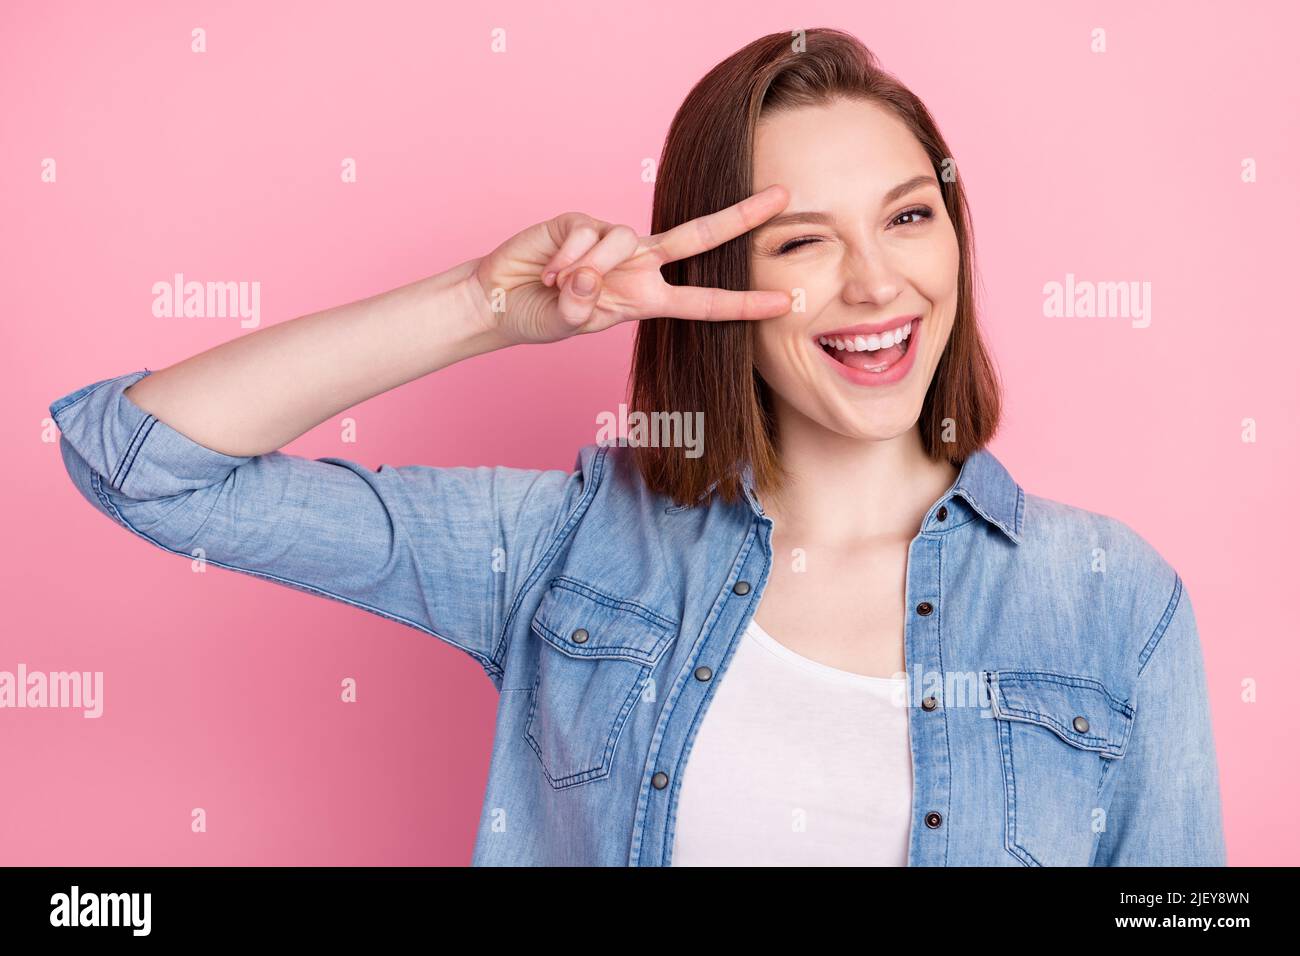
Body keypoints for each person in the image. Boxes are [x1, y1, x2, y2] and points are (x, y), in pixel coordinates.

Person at [49, 27, 1226, 866]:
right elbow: (142, 462)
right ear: (711, 281)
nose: (877, 283)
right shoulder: (568, 545)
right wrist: (480, 305)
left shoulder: (1112, 599)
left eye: (908, 216)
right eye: (800, 242)